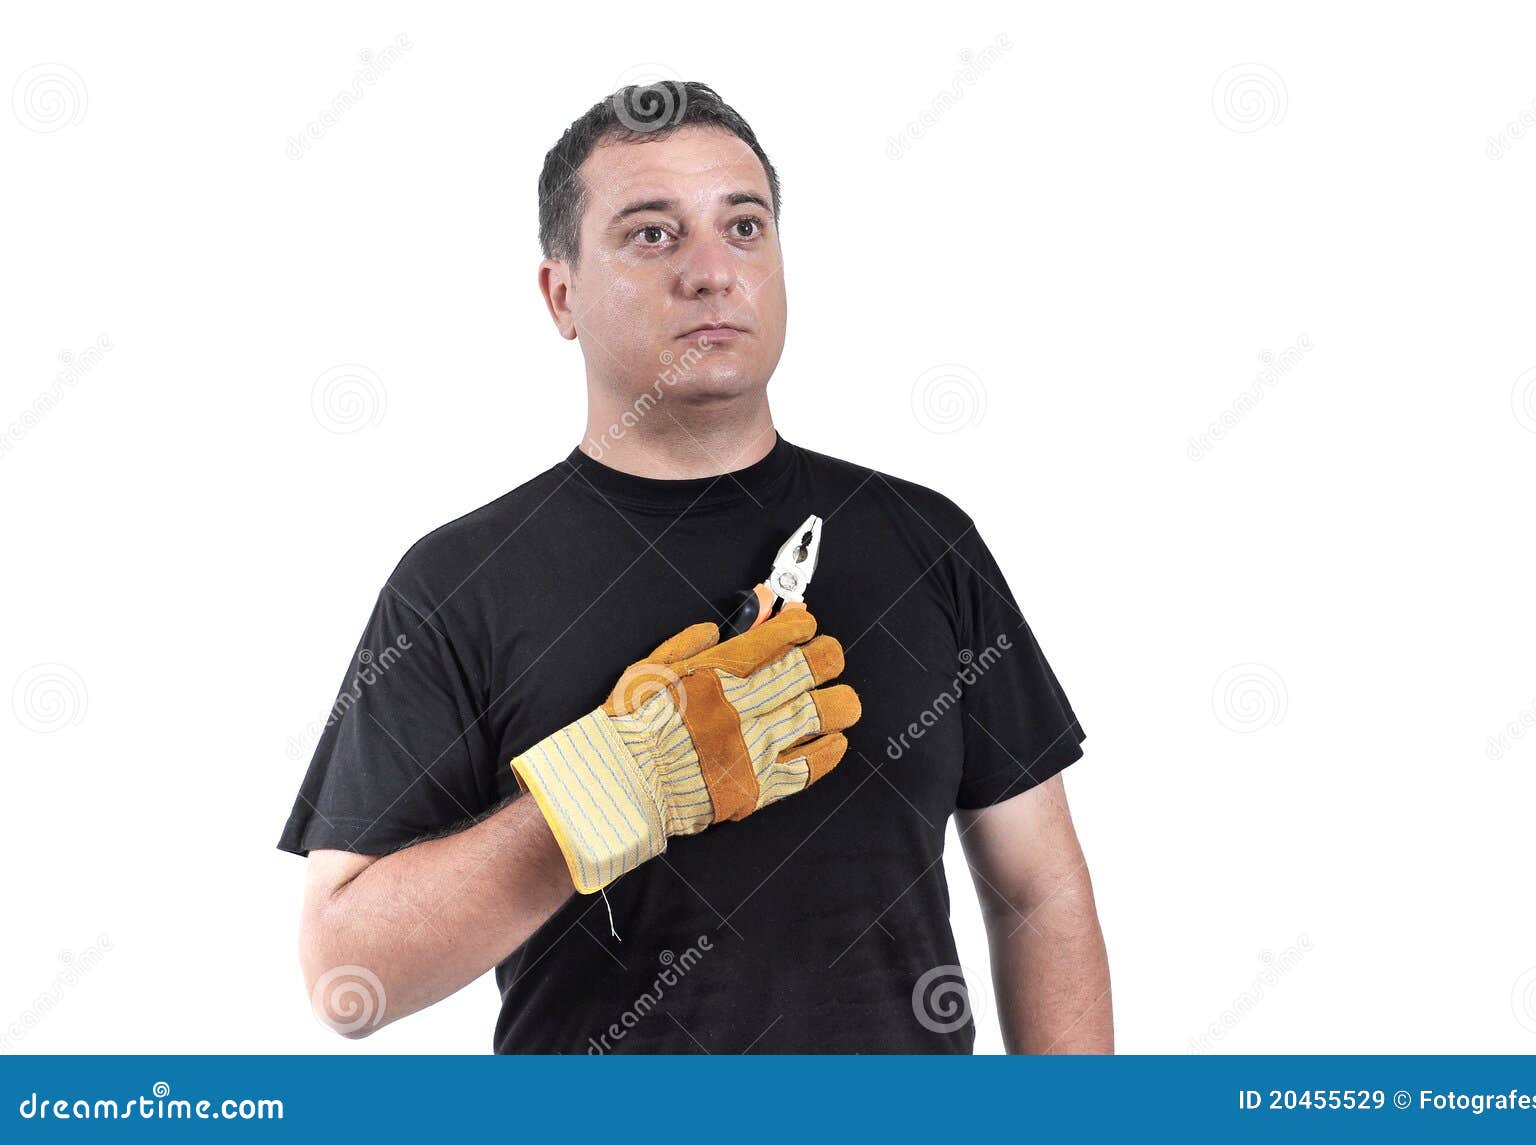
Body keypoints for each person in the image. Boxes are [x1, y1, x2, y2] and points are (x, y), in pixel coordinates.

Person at [278, 81, 1111, 1053]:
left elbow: (1038, 891)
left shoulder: (926, 540)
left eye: (744, 227)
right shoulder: (459, 582)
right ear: (561, 294)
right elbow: (346, 976)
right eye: (653, 234)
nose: (713, 272)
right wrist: (615, 785)